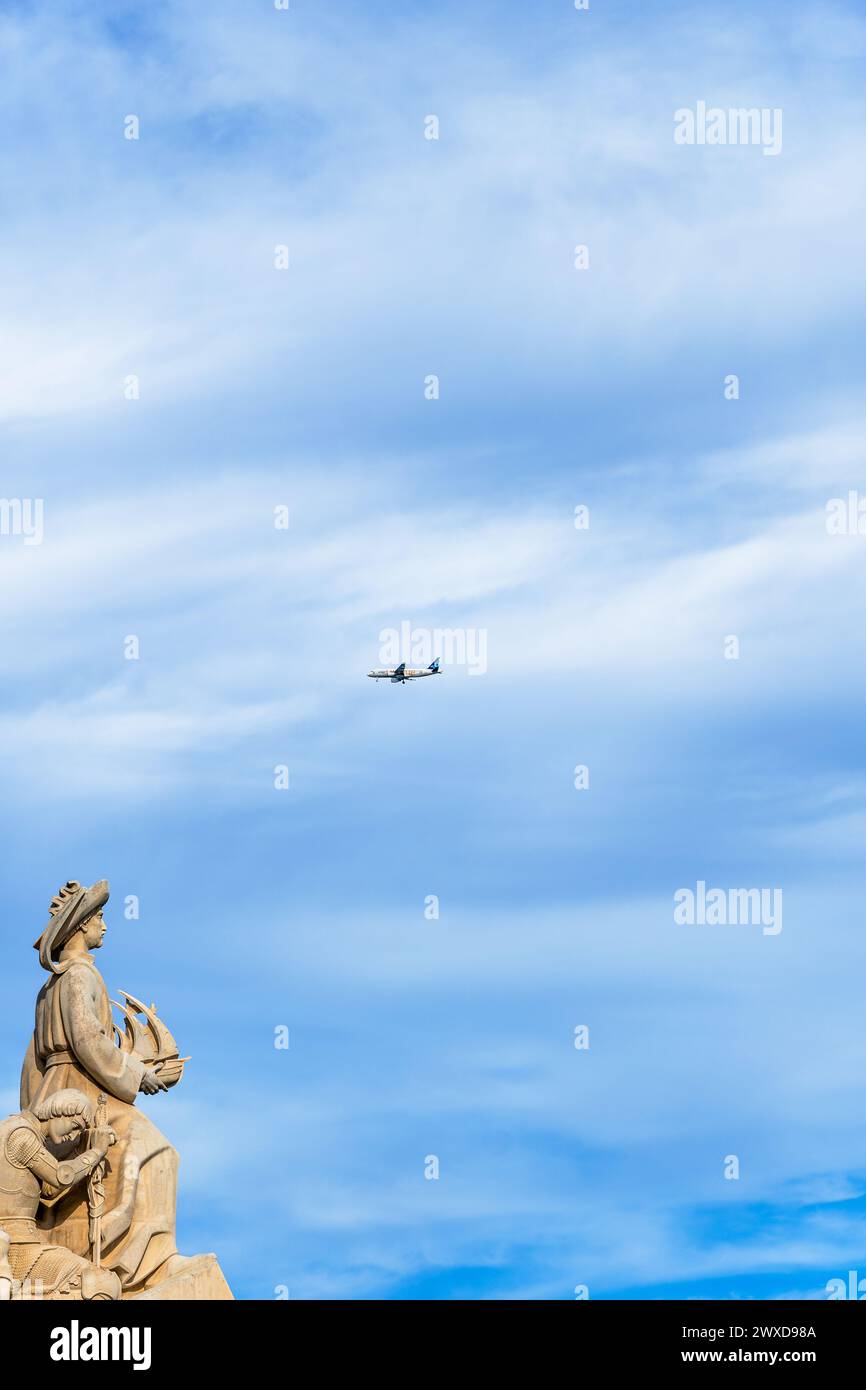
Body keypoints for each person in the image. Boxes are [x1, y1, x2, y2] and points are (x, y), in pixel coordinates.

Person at [20, 879, 187, 1293]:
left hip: (53, 1089)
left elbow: (31, 1062)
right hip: (79, 1089)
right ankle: (140, 1261)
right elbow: (89, 1041)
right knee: (154, 1147)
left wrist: (30, 1111)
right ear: (81, 927)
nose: (105, 928)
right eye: (99, 919)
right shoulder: (80, 975)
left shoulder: (49, 987)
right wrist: (139, 1074)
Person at [0, 1088, 120, 1300]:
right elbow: (59, 1176)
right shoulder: (20, 1134)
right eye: (74, 1126)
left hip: (22, 1243)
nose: (73, 1136)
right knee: (101, 1283)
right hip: (16, 1246)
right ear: (60, 1111)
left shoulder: (26, 1133)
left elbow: (47, 1190)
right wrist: (97, 1151)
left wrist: (81, 1151)